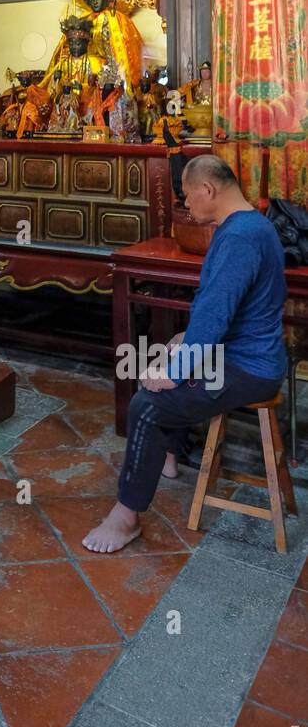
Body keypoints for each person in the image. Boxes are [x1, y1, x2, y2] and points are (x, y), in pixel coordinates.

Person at [83, 154, 287, 553]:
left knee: (148, 403)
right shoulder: (252, 226)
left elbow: (215, 313)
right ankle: (169, 454)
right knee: (165, 351)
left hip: (250, 367)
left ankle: (126, 518)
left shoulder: (239, 237)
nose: (186, 205)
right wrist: (183, 346)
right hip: (244, 354)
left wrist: (176, 372)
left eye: (188, 195)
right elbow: (221, 313)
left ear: (208, 189)